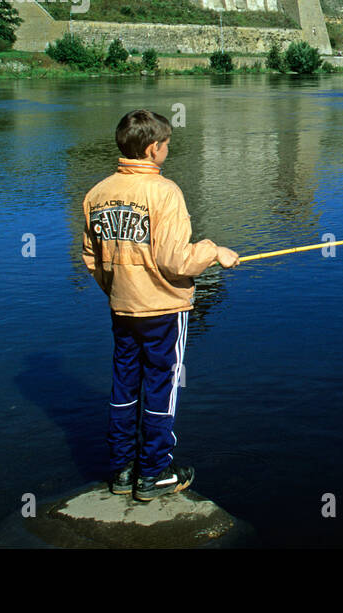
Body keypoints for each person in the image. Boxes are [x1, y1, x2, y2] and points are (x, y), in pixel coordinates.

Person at [81, 109, 239, 501]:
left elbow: (91, 257)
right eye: (167, 144)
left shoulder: (96, 193)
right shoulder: (165, 192)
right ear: (154, 149)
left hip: (122, 308)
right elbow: (175, 261)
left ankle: (121, 470)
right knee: (162, 386)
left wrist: (118, 288)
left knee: (123, 386)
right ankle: (154, 473)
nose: (168, 149)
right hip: (164, 310)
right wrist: (214, 251)